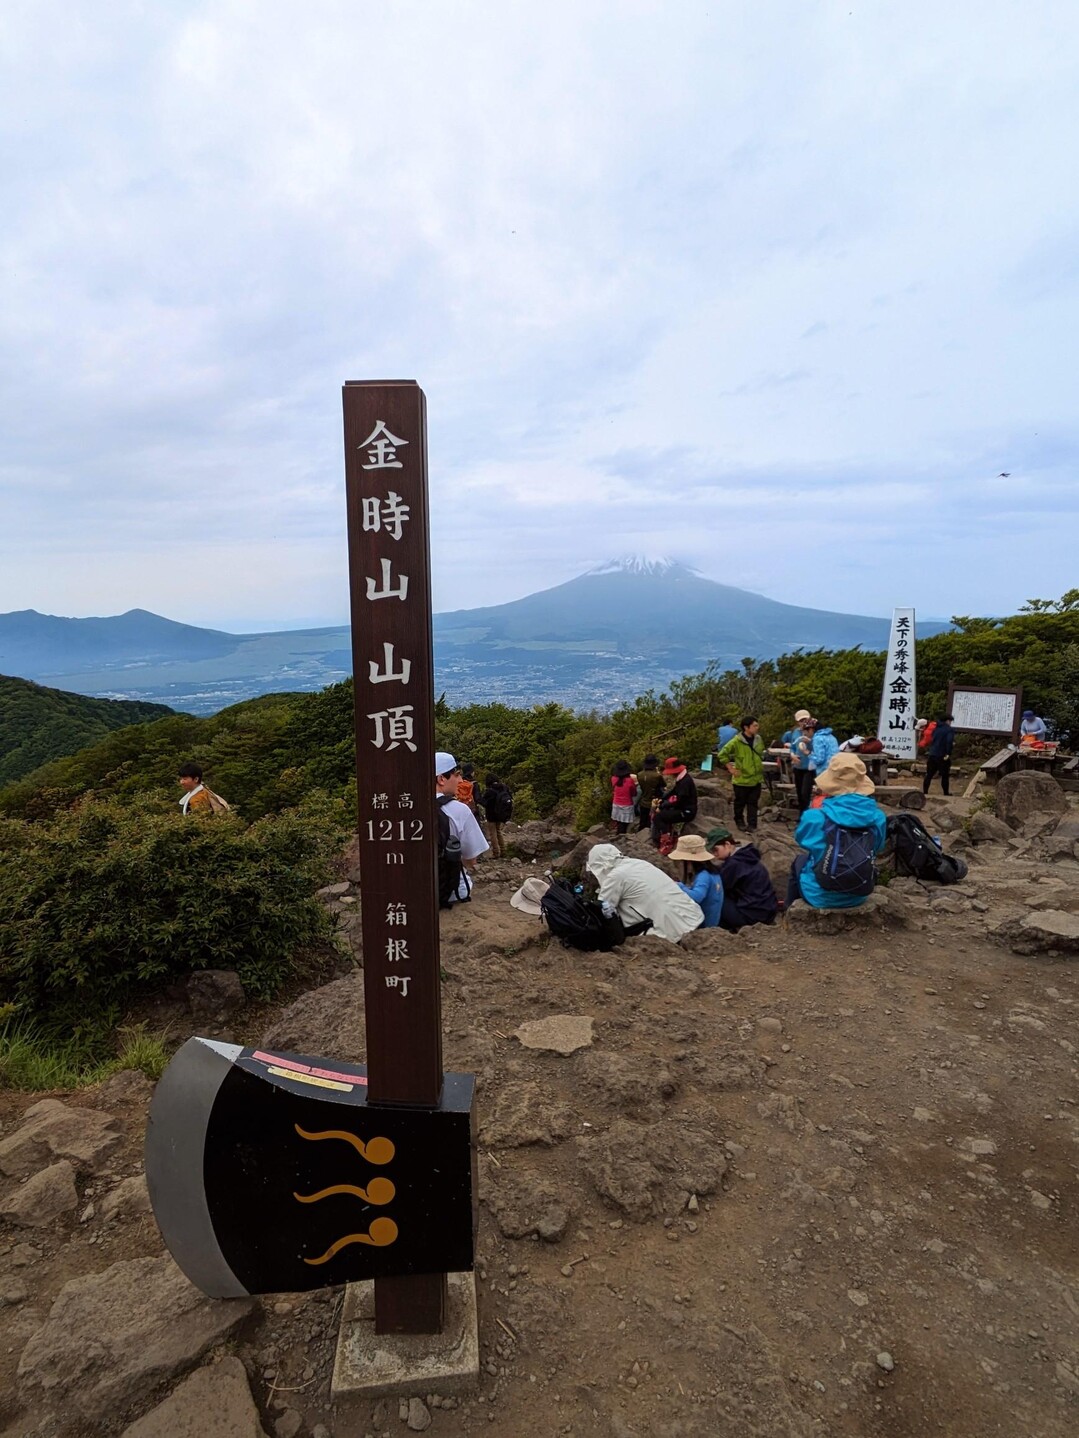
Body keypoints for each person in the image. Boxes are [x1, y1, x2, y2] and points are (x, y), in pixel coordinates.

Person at [787, 754, 887, 910]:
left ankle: (789, 911)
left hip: (819, 895)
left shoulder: (815, 816)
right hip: (859, 894)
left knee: (799, 861)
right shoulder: (878, 817)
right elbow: (878, 847)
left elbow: (802, 840)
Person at [586, 843, 703, 941]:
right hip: (692, 918)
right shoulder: (639, 863)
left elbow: (604, 908)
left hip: (668, 934)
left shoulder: (614, 877)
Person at [435, 751, 489, 904]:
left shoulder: (408, 809)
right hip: (452, 892)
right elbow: (471, 859)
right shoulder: (459, 810)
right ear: (441, 779)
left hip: (417, 893)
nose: (460, 780)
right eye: (456, 775)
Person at [705, 824, 778, 931]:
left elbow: (719, 887)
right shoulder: (747, 856)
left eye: (716, 850)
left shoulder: (734, 864)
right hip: (767, 911)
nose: (714, 854)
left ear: (727, 844)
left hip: (751, 915)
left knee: (713, 896)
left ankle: (711, 928)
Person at [717, 717, 765, 833]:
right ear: (746, 727)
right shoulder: (736, 741)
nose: (757, 728)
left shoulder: (758, 739)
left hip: (756, 778)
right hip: (742, 778)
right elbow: (722, 754)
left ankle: (752, 824)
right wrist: (730, 768)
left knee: (753, 802)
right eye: (754, 726)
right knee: (740, 802)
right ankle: (739, 821)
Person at [668, 833, 724, 927]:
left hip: (704, 926)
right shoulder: (713, 873)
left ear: (688, 861)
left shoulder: (703, 876)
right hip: (712, 923)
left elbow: (697, 897)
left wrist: (679, 885)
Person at [652, 756, 698, 854]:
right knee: (664, 814)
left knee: (659, 817)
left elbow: (680, 800)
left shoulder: (685, 782)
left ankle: (667, 842)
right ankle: (670, 836)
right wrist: (663, 798)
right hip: (683, 808)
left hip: (687, 811)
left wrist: (665, 805)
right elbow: (673, 791)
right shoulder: (682, 778)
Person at [922, 714, 956, 795]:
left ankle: (925, 792)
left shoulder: (935, 729)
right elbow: (949, 741)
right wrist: (948, 753)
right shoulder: (949, 730)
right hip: (942, 755)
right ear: (947, 721)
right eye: (950, 721)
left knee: (929, 774)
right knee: (945, 775)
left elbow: (932, 740)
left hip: (932, 754)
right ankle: (946, 793)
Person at [481, 772, 512, 857]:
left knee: (493, 834)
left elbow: (484, 802)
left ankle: (496, 852)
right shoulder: (504, 787)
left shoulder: (490, 791)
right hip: (501, 814)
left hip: (491, 815)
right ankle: (503, 850)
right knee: (499, 831)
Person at [789, 715, 815, 813]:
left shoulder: (812, 732)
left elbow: (817, 749)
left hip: (809, 767)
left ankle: (806, 814)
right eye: (801, 720)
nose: (803, 722)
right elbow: (792, 747)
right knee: (799, 792)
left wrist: (810, 742)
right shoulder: (796, 732)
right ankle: (801, 815)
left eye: (805, 720)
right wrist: (792, 755)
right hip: (797, 765)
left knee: (805, 793)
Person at [636, 754, 665, 831]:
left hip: (643, 800)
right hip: (654, 801)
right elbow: (663, 785)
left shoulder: (639, 774)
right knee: (651, 821)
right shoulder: (657, 776)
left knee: (643, 820)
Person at [610, 759, 639, 835]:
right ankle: (621, 837)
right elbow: (634, 793)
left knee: (619, 822)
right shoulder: (629, 781)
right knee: (624, 824)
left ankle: (618, 835)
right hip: (627, 805)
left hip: (616, 803)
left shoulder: (613, 779)